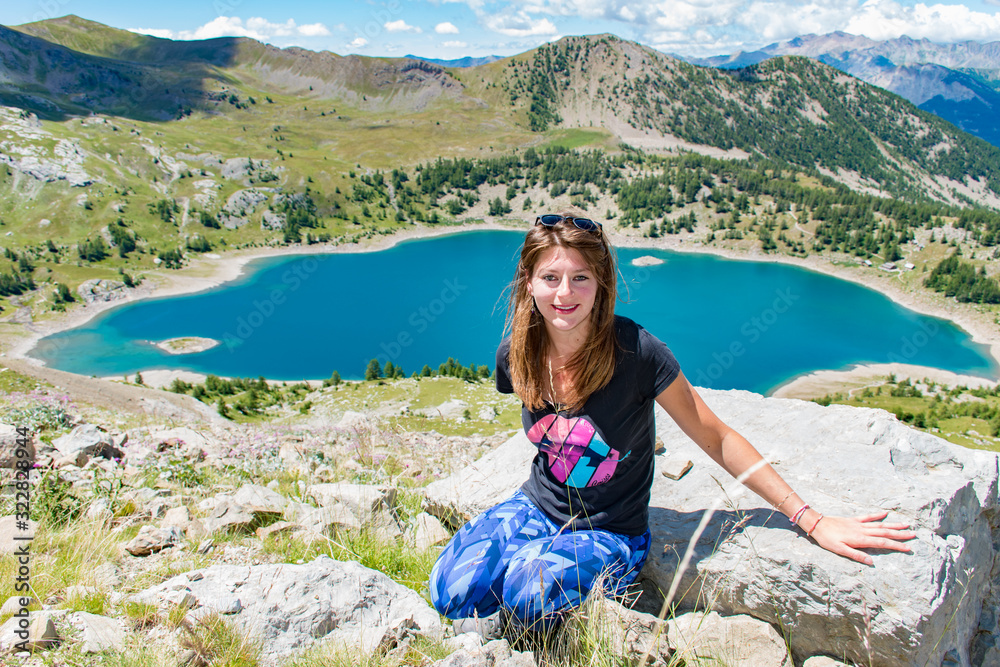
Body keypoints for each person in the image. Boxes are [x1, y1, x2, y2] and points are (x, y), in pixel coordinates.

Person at [428, 212, 915, 634]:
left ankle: (566, 594)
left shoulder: (637, 352)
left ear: (601, 285)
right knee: (449, 591)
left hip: (613, 531)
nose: (565, 293)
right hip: (537, 504)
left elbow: (716, 436)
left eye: (581, 278)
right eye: (550, 278)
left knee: (527, 594)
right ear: (528, 282)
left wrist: (811, 519)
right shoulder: (517, 354)